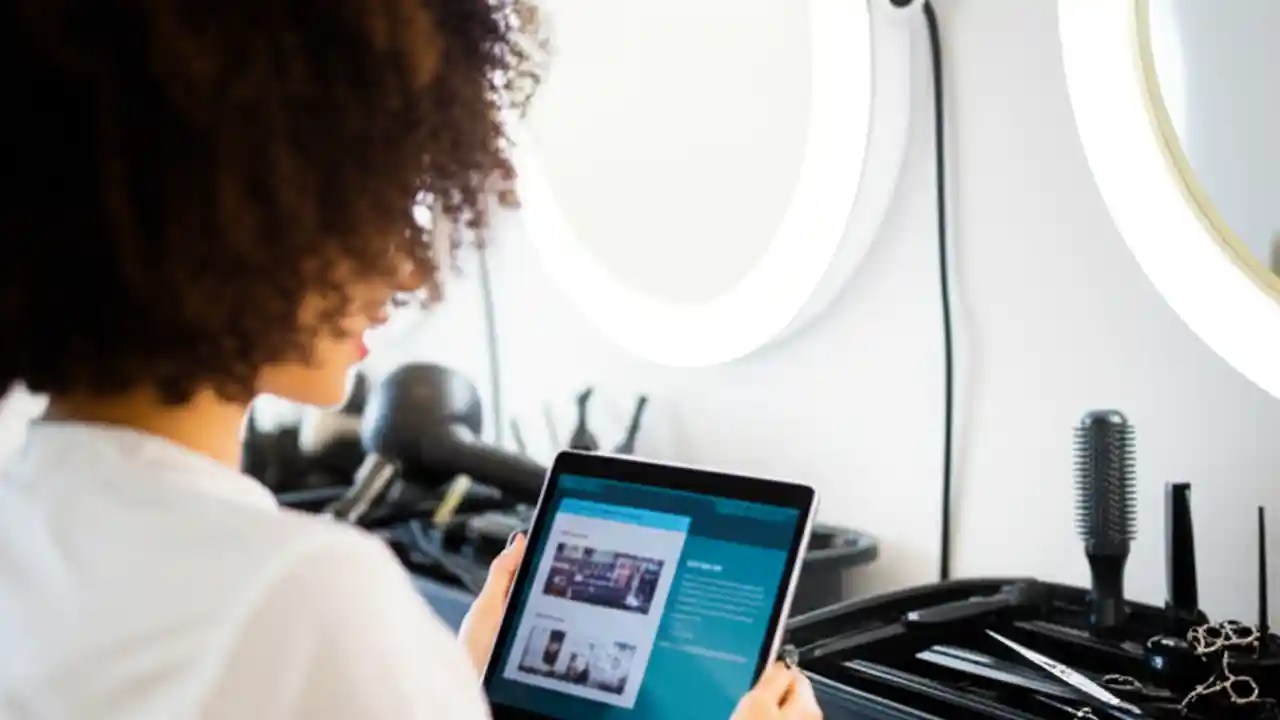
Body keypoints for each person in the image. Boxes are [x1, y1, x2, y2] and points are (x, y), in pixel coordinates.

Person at [0, 1, 823, 719]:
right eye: (367, 206)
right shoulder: (308, 593)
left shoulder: (23, 520)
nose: (408, 272)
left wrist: (443, 680)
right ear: (230, 212)